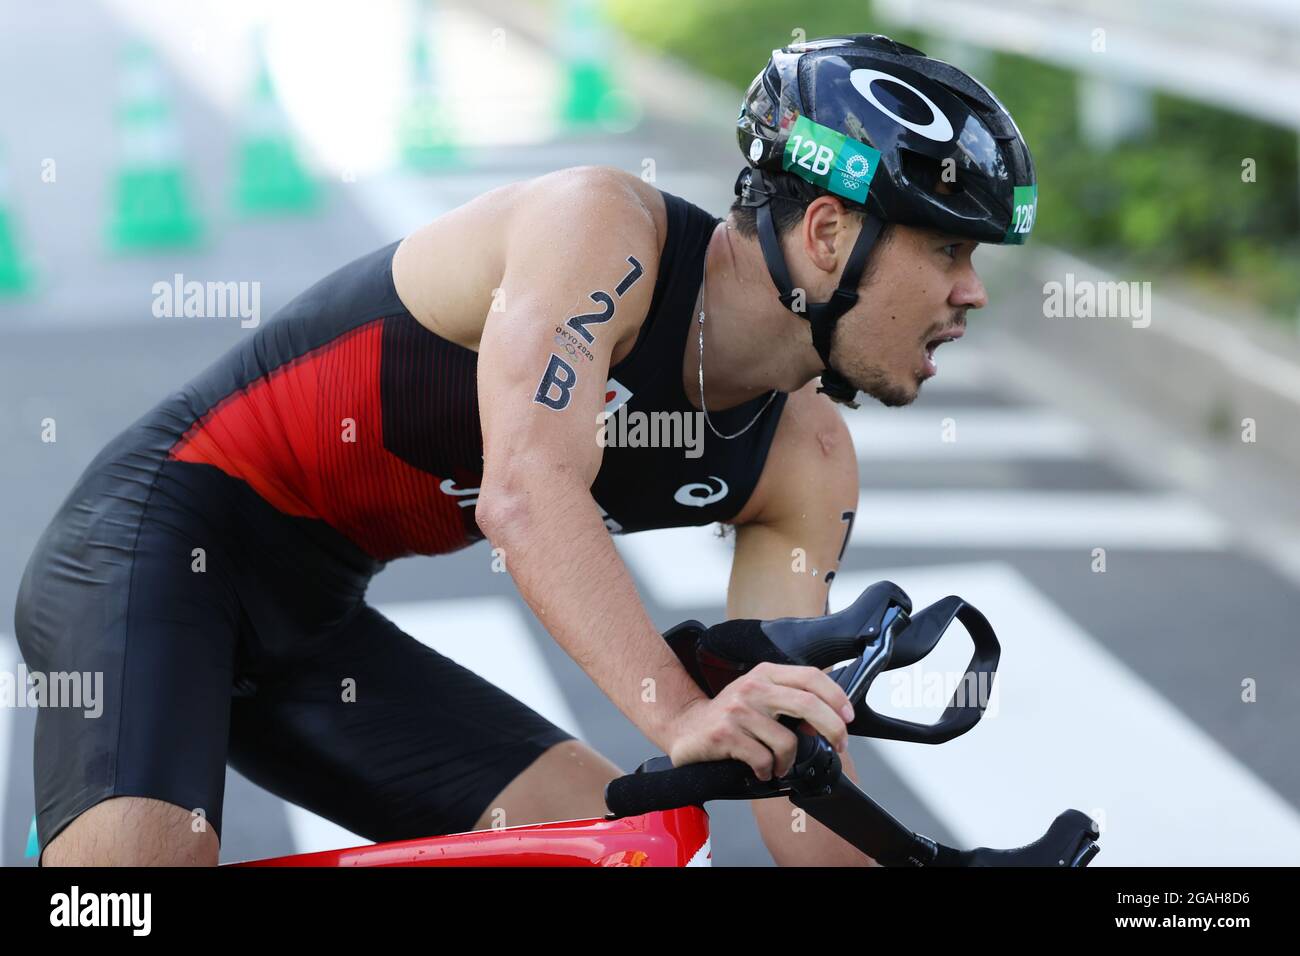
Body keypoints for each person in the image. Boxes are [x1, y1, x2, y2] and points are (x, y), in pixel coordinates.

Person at [15, 33, 1035, 866]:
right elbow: (525, 490)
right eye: (948, 247)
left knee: (617, 852)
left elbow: (792, 791)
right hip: (153, 546)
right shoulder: (600, 229)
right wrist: (681, 710)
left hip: (309, 629)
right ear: (826, 232)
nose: (971, 290)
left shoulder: (805, 457)